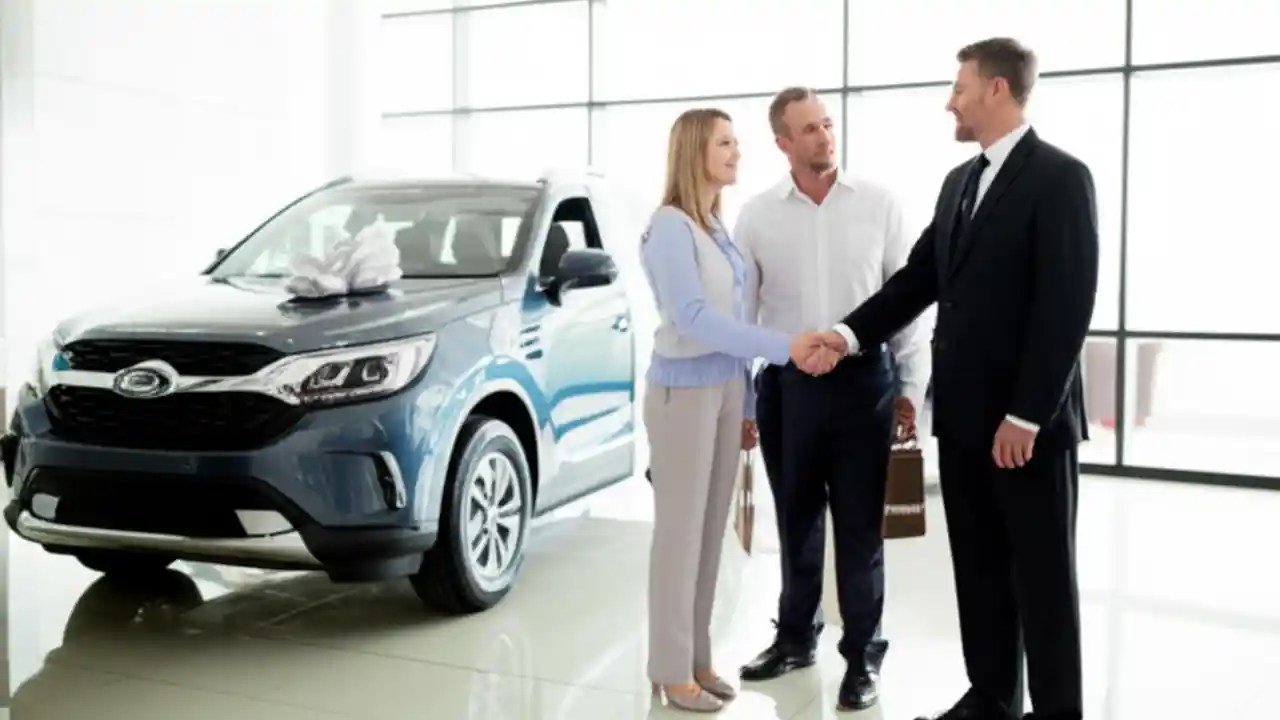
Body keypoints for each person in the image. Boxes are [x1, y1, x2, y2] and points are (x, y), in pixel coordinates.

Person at [806, 37, 1098, 720]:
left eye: (959, 88)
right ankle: (992, 698)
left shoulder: (1061, 177)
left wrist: (1027, 415)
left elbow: (1067, 304)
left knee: (1044, 581)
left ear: (997, 89)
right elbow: (919, 279)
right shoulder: (960, 183)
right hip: (964, 420)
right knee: (979, 568)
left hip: (1027, 428)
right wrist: (846, 335)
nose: (950, 101)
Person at [734, 87, 931, 712]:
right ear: (783, 143)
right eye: (809, 129)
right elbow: (742, 314)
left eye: (827, 124)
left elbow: (907, 301)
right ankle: (795, 638)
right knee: (794, 523)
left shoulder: (879, 205)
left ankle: (863, 657)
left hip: (863, 385)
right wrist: (742, 401)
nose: (824, 136)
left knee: (860, 529)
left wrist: (909, 388)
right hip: (786, 390)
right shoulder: (758, 215)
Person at [640, 107, 833, 713]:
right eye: (725, 142)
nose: (737, 152)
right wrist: (785, 350)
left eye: (736, 142)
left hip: (723, 392)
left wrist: (747, 399)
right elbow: (694, 319)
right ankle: (669, 672)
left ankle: (696, 660)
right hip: (682, 397)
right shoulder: (669, 227)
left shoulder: (715, 228)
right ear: (695, 150)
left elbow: (735, 321)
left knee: (708, 538)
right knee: (679, 537)